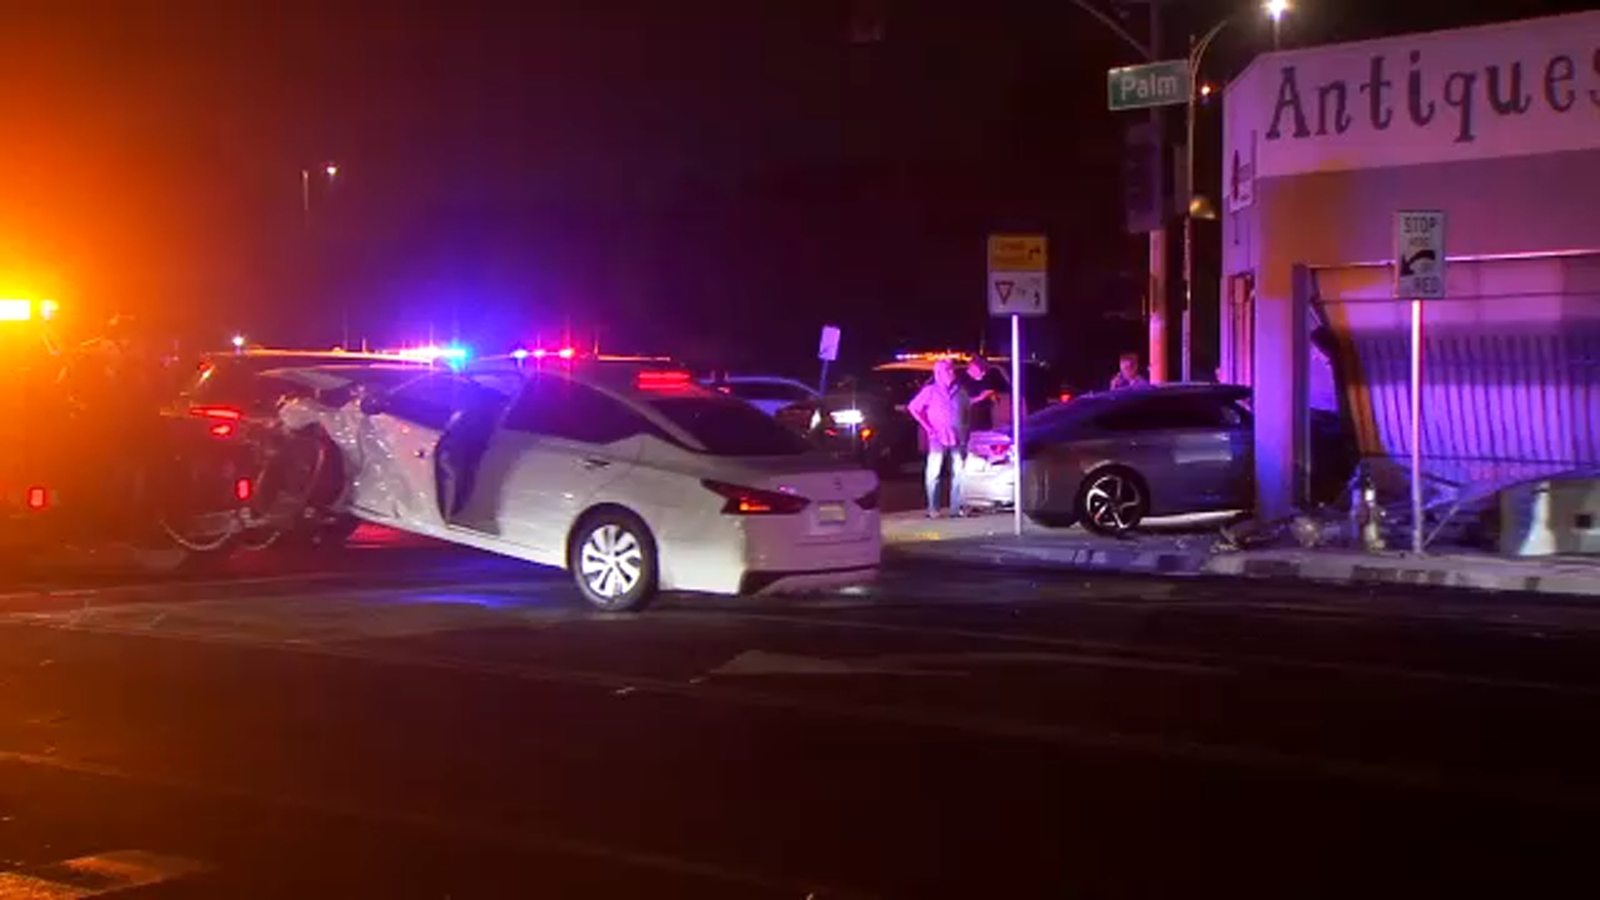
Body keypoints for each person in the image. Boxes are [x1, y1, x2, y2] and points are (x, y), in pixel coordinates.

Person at [906, 358, 965, 518]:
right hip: (938, 436)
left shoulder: (959, 390)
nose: (952, 373)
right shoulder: (930, 391)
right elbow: (913, 407)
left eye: (952, 370)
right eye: (948, 370)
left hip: (956, 435)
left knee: (959, 472)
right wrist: (928, 427)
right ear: (939, 373)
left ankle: (956, 507)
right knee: (934, 472)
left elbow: (967, 407)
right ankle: (933, 508)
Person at [962, 355, 1010, 434]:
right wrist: (980, 397)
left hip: (986, 424)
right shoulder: (963, 381)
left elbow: (1001, 397)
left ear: (982, 371)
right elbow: (962, 404)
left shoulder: (989, 380)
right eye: (969, 366)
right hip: (968, 424)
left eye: (972, 368)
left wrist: (993, 396)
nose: (968, 369)